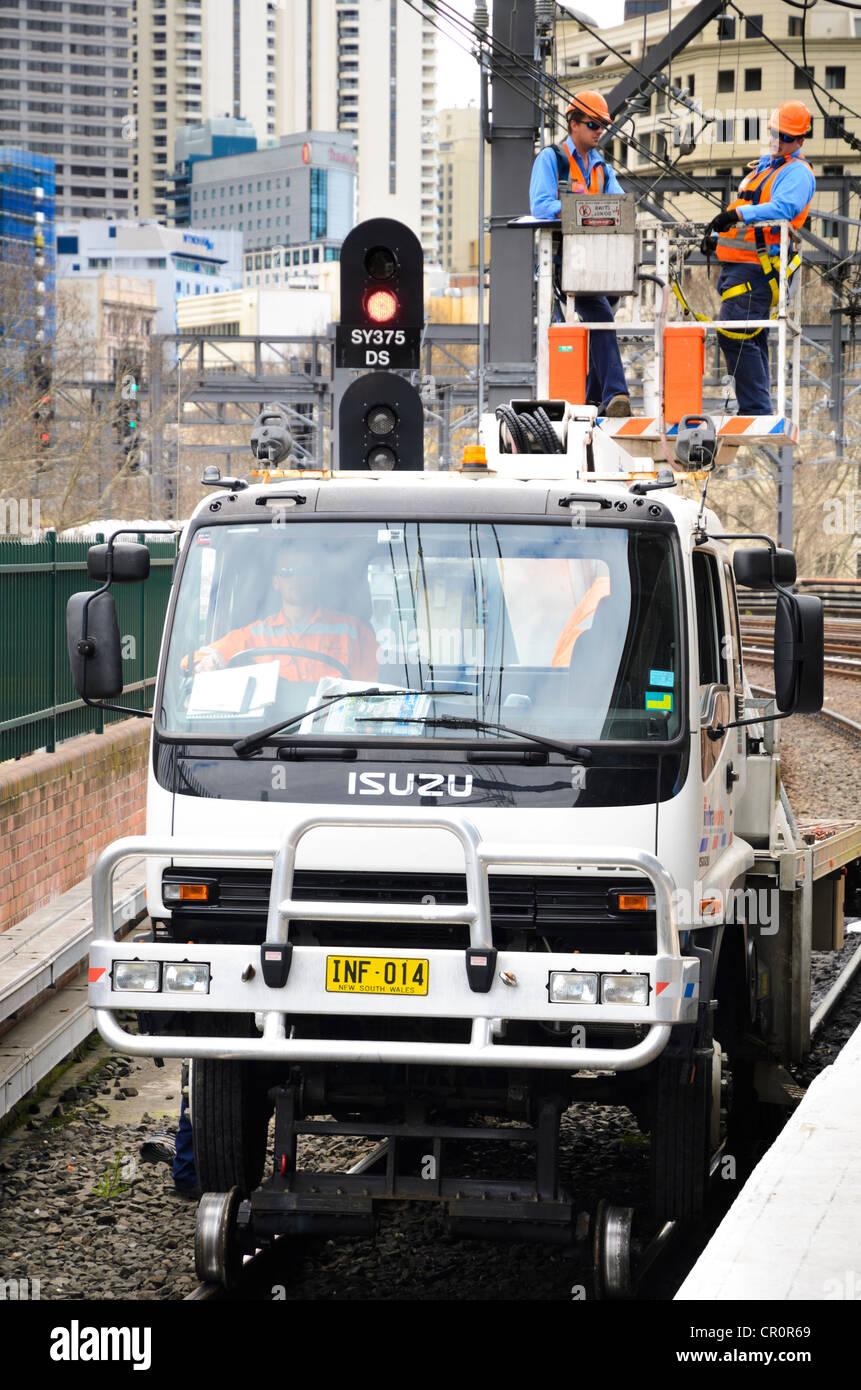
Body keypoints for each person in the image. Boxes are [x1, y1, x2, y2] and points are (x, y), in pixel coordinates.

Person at [701, 101, 815, 415]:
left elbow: (783, 209)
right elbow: (742, 212)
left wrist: (736, 214)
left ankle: (755, 409)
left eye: (786, 137)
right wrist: (716, 236)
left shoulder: (797, 173)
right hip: (741, 267)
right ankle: (757, 406)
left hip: (758, 268)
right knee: (750, 336)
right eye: (775, 133)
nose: (778, 140)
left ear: (800, 140)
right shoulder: (765, 168)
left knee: (733, 333)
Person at [529, 91, 632, 417]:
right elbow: (541, 206)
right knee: (601, 318)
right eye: (593, 124)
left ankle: (593, 397)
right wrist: (583, 210)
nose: (599, 130)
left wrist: (593, 211)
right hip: (566, 260)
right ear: (573, 124)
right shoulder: (552, 160)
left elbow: (619, 206)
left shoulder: (602, 169)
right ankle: (616, 394)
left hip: (600, 261)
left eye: (602, 125)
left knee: (599, 321)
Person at [192, 538, 378, 683]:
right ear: (276, 582)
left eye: (304, 572)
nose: (296, 580)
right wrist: (208, 662)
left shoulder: (353, 632)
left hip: (332, 731)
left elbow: (377, 687)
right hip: (271, 732)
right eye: (287, 572)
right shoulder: (256, 635)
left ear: (316, 579)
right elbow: (196, 659)